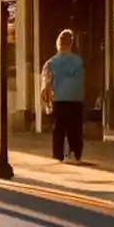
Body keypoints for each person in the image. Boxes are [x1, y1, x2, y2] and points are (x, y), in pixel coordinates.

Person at [42, 29, 85, 162]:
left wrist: (47, 96)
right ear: (71, 43)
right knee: (75, 128)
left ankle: (58, 154)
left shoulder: (51, 62)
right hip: (76, 98)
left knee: (59, 128)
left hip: (60, 99)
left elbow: (47, 82)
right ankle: (75, 153)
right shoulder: (78, 61)